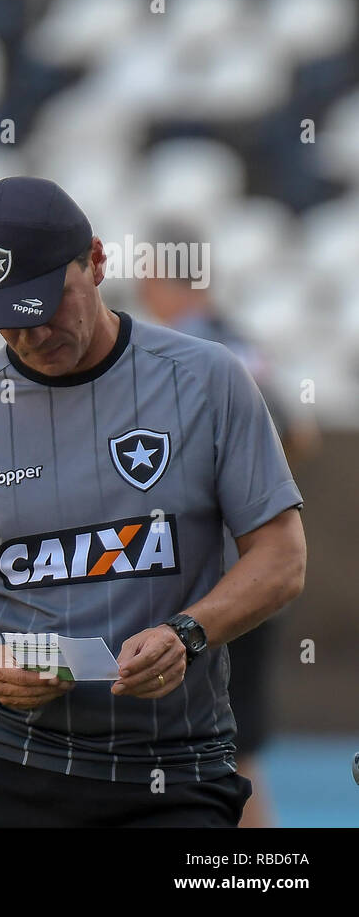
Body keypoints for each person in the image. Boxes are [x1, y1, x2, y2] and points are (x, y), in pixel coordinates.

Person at [0, 176, 307, 827]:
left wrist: (188, 633)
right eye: (6, 320)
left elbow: (281, 557)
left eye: (49, 303)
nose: (32, 333)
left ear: (97, 263)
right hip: (4, 766)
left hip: (175, 770)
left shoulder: (210, 380)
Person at [138, 228, 320, 827]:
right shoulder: (240, 344)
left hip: (198, 576)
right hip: (255, 566)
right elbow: (302, 433)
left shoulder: (177, 351)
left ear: (161, 281)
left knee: (193, 746)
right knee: (233, 745)